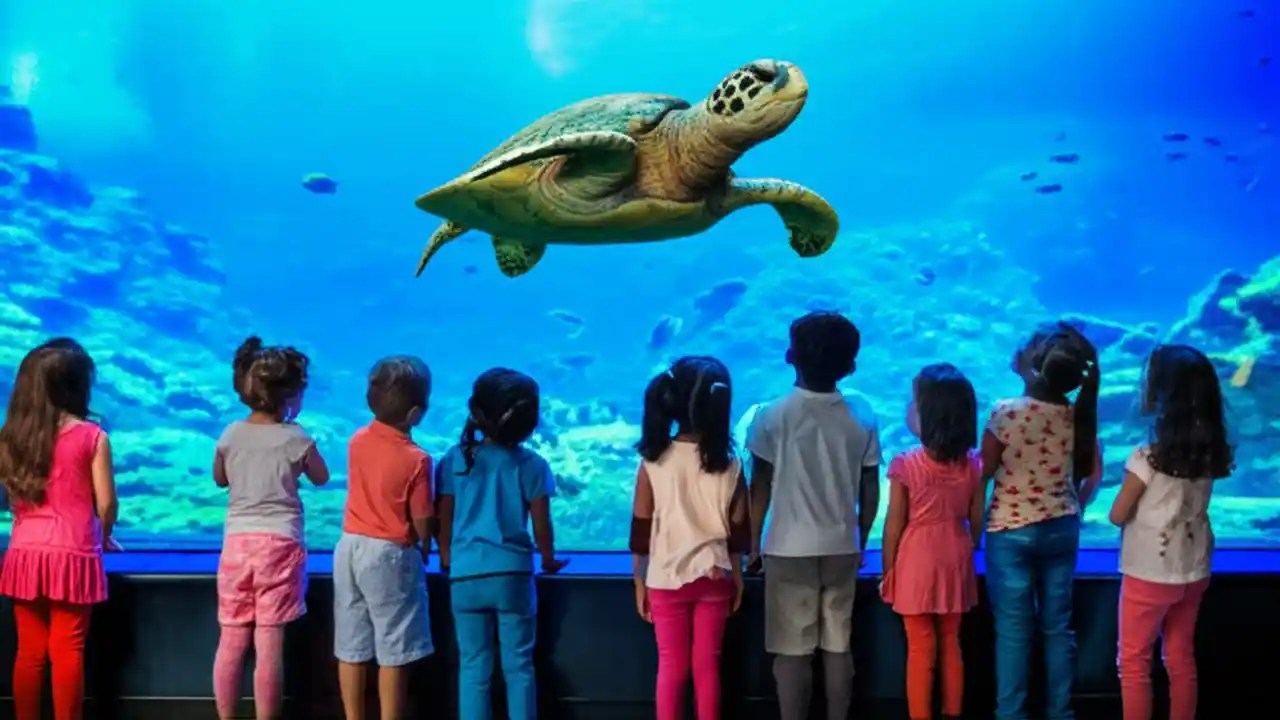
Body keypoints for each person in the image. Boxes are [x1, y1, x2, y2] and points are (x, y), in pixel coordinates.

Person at [746, 311, 881, 720]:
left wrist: (753, 544)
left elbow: (760, 486)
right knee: (839, 643)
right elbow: (870, 487)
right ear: (851, 364)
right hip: (842, 546)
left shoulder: (771, 415)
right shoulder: (862, 412)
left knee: (792, 648)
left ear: (791, 356)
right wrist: (860, 537)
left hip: (787, 548)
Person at [982, 322, 1102, 720]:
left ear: (1036, 363)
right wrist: (1076, 505)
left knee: (1013, 631)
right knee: (1058, 628)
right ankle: (1061, 712)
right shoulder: (1079, 416)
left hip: (1010, 531)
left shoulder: (1005, 411)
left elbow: (984, 471)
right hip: (1061, 528)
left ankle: (1011, 713)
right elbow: (1090, 474)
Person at [435, 368, 568, 720]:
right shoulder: (533, 465)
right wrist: (549, 559)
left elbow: (443, 517)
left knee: (473, 668)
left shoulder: (454, 460)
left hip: (465, 575)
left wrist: (446, 556)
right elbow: (542, 524)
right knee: (519, 665)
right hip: (513, 576)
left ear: (477, 413)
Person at [1108, 345, 1232, 720]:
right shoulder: (1211, 452)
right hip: (1194, 568)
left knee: (1133, 661)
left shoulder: (1146, 458)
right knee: (1180, 658)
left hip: (1149, 572)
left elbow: (1117, 515)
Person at [0, 338, 120, 720]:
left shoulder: (10, 437)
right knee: (68, 650)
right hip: (73, 554)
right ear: (76, 385)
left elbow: (8, 496)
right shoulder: (93, 437)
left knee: (29, 652)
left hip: (24, 555)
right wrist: (104, 536)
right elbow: (106, 504)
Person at [212, 337, 329, 720]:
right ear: (289, 396)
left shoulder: (230, 434)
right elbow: (322, 477)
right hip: (279, 547)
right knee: (269, 643)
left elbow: (220, 478)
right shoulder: (296, 438)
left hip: (237, 547)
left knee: (231, 638)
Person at [630, 356, 750, 720]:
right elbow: (739, 529)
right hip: (715, 577)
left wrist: (639, 581)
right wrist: (737, 576)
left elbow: (640, 530)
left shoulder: (653, 461)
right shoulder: (730, 462)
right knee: (707, 667)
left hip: (665, 579)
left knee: (671, 666)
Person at [334, 356, 435, 720]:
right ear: (415, 414)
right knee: (395, 647)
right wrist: (426, 544)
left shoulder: (356, 441)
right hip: (389, 553)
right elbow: (422, 517)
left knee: (351, 645)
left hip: (349, 546)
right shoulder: (417, 459)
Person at [880, 363, 983, 720]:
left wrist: (888, 571)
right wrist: (970, 546)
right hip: (956, 555)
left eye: (915, 402)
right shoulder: (974, 465)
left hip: (916, 561)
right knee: (951, 642)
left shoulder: (905, 465)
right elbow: (976, 520)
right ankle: (952, 712)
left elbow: (894, 526)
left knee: (920, 648)